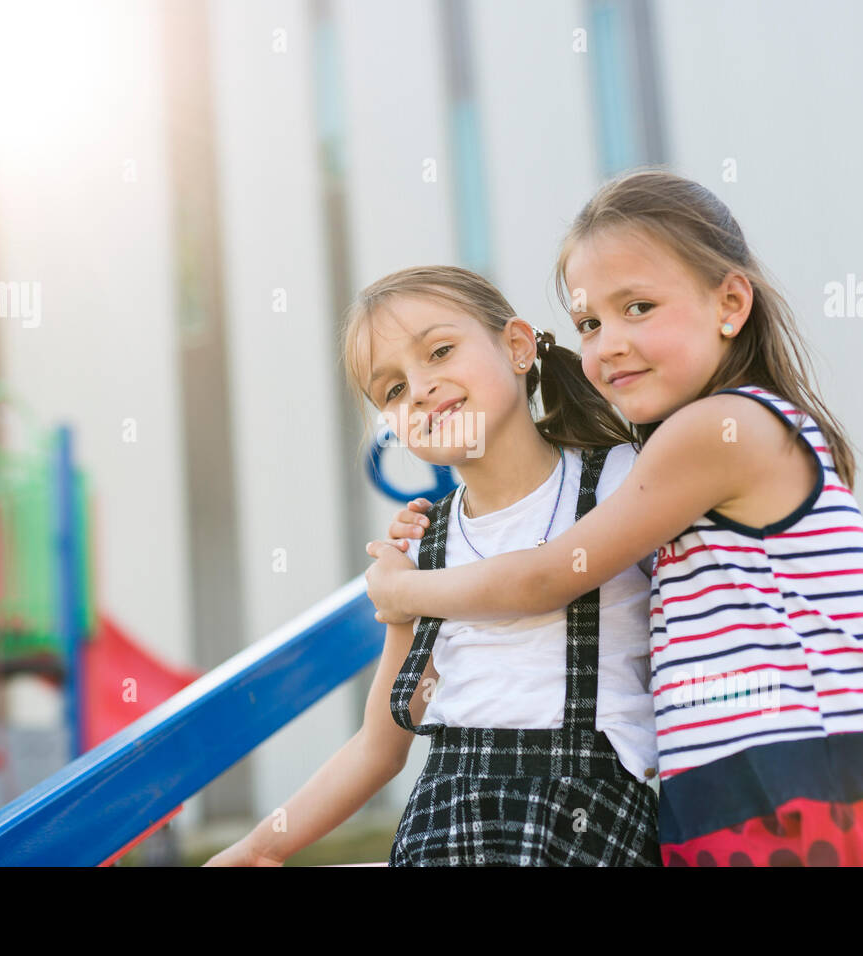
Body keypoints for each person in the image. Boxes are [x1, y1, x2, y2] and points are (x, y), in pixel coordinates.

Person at [365, 169, 863, 867]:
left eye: (637, 307)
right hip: (742, 808)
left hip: (791, 813)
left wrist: (402, 592)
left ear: (730, 302)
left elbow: (549, 576)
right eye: (589, 322)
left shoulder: (720, 429)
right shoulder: (690, 458)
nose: (607, 342)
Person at [206, 265, 661, 866]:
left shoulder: (625, 481)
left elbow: (547, 581)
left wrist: (410, 593)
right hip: (445, 822)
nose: (418, 389)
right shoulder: (421, 551)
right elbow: (380, 745)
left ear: (518, 347)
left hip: (586, 819)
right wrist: (259, 848)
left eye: (440, 351)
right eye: (392, 390)